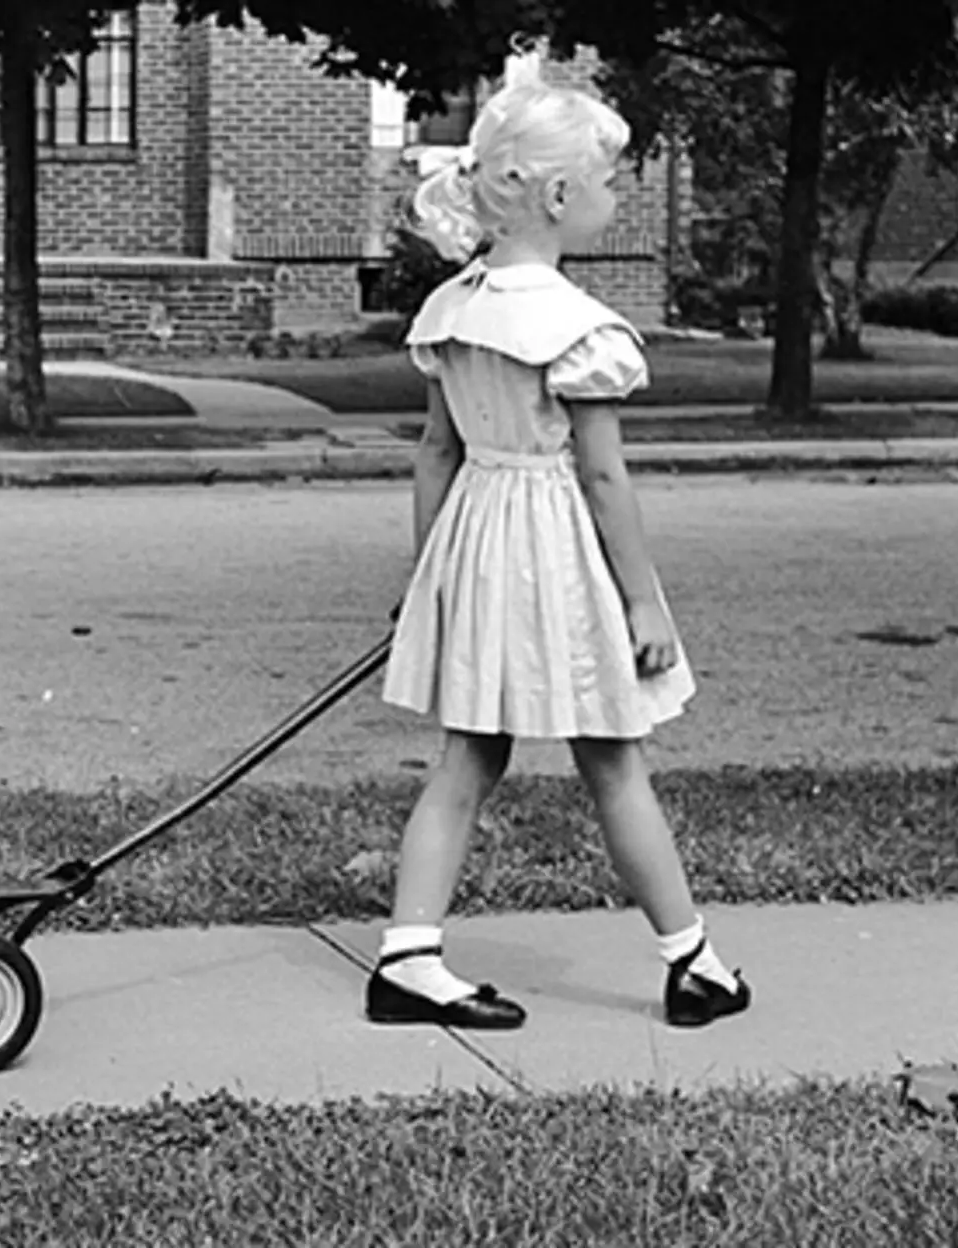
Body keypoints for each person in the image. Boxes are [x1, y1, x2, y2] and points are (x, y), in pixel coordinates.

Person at [368, 78, 751, 1032]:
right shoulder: (575, 327)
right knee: (614, 758)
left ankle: (408, 957)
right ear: (553, 196)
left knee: (467, 757)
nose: (616, 196)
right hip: (553, 548)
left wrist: (430, 582)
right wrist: (645, 602)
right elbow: (603, 480)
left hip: (474, 540)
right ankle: (693, 962)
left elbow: (436, 455)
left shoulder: (451, 310)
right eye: (609, 179)